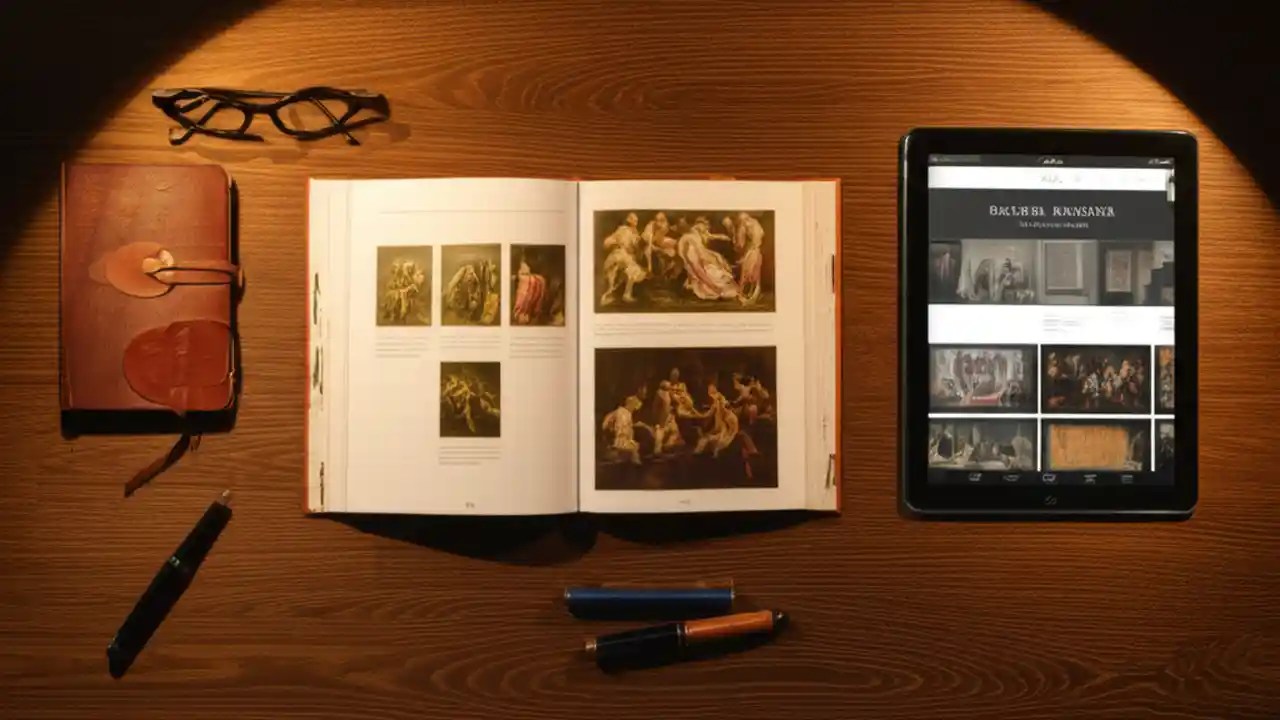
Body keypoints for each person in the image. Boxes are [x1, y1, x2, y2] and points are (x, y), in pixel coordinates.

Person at [676, 217, 739, 301]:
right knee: (727, 288)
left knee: (728, 281)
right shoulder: (690, 242)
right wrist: (713, 285)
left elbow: (709, 236)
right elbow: (697, 267)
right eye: (704, 224)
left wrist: (721, 238)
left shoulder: (698, 236)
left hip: (708, 266)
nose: (707, 227)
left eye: (707, 224)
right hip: (704, 273)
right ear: (695, 225)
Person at [600, 212, 646, 305]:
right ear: (629, 220)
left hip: (624, 257)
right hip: (620, 255)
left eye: (636, 220)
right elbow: (608, 242)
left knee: (630, 271)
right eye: (633, 219)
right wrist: (614, 244)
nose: (635, 222)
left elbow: (636, 248)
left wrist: (639, 245)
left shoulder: (633, 233)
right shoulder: (623, 230)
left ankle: (624, 294)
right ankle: (611, 295)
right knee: (620, 272)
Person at [727, 212, 765, 303]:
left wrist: (732, 232)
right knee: (754, 274)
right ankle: (752, 295)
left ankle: (743, 296)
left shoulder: (743, 225)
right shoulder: (755, 223)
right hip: (757, 251)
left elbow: (739, 245)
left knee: (746, 274)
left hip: (751, 252)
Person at [602, 395, 648, 465]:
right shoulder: (623, 414)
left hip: (616, 440)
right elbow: (621, 432)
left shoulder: (622, 412)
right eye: (635, 409)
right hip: (617, 442)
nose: (635, 411)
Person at [512, 255, 547, 325]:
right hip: (536, 317)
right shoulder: (542, 280)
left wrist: (518, 313)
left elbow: (524, 299)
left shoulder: (528, 280)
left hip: (524, 317)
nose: (520, 271)